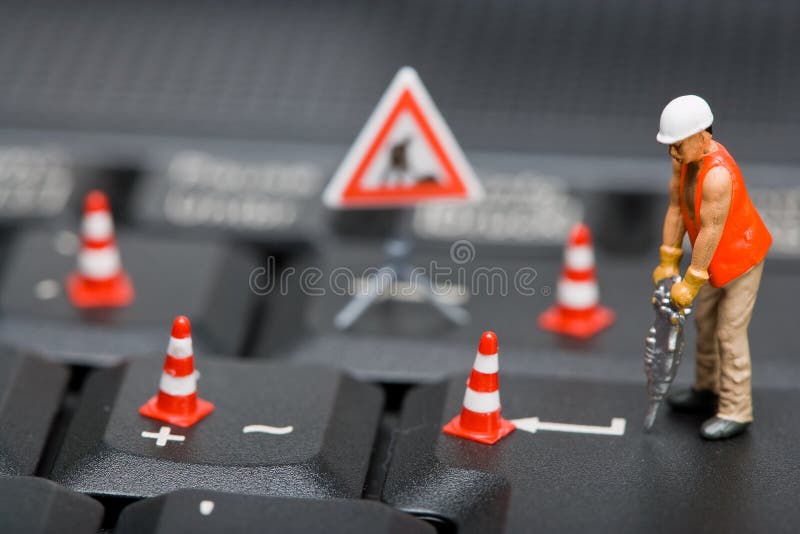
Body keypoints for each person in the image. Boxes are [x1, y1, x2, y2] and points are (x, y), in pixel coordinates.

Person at [652, 95, 772, 440]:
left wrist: (690, 281)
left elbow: (709, 233)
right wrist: (667, 258)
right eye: (670, 147)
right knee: (705, 321)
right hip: (714, 264)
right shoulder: (682, 162)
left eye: (678, 145)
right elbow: (676, 209)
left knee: (729, 333)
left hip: (741, 260)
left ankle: (736, 410)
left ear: (703, 136)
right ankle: (707, 389)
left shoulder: (718, 175)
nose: (673, 153)